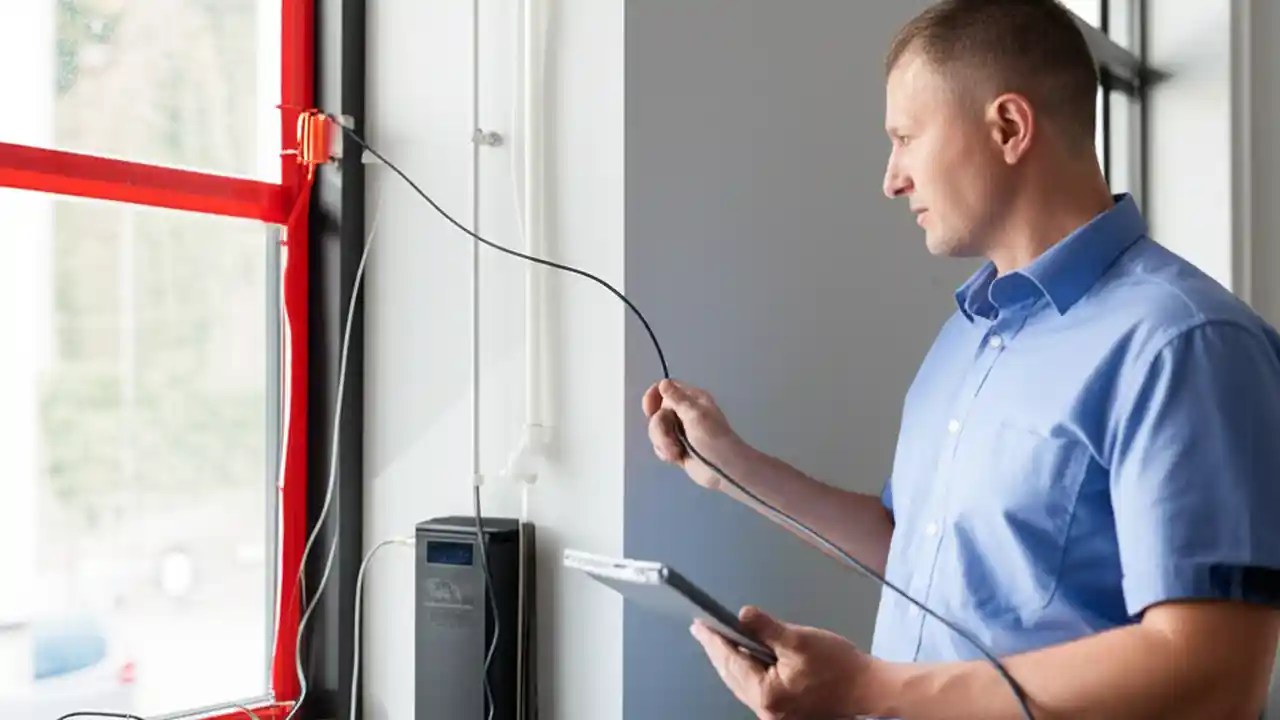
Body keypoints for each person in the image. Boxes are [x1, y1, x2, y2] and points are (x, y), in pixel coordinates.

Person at [642, 0, 1280, 717]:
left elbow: (1215, 670)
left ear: (1008, 127)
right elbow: (915, 547)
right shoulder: (968, 338)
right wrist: (728, 465)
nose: (892, 178)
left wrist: (870, 688)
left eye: (905, 138)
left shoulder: (1186, 343)